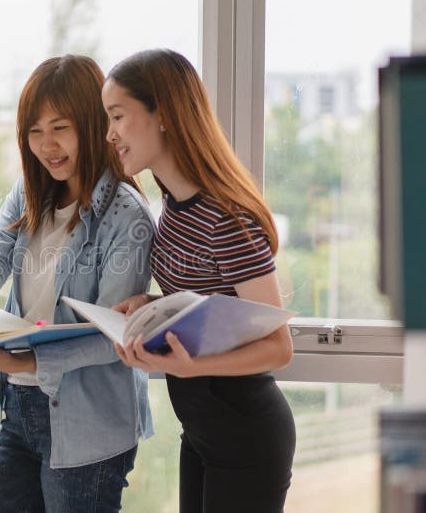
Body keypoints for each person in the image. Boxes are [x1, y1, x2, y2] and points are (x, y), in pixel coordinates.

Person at [0, 54, 155, 513]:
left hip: (88, 424)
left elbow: (112, 337)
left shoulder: (127, 218)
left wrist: (27, 360)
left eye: (59, 127)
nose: (46, 145)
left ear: (93, 124)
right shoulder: (29, 192)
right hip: (21, 407)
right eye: (34, 131)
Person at [103, 48, 296, 512]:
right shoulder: (172, 207)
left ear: (163, 115)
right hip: (204, 431)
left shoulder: (225, 219)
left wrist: (191, 367)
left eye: (118, 117)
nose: (110, 135)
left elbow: (279, 346)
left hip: (246, 436)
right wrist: (150, 303)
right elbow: (207, 301)